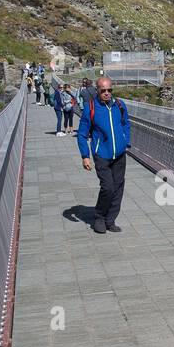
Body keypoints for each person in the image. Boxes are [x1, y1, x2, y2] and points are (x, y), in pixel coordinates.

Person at [77, 76, 130, 234]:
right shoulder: (90, 108)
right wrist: (85, 155)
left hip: (120, 154)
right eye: (103, 91)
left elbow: (126, 123)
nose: (107, 93)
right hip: (102, 154)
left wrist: (125, 142)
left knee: (118, 187)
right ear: (97, 90)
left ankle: (110, 220)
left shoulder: (120, 105)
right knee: (108, 187)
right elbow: (81, 134)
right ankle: (99, 216)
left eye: (109, 90)